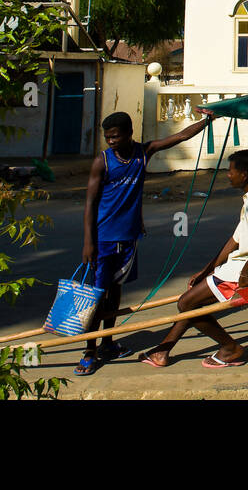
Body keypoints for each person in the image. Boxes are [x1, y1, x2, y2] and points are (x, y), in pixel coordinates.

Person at [75, 107, 213, 376]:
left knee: (115, 293)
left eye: (115, 136)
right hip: (103, 239)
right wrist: (88, 242)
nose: (111, 141)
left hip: (128, 239)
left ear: (129, 134)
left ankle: (108, 342)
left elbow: (182, 136)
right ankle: (89, 352)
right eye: (108, 137)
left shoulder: (143, 152)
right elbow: (90, 203)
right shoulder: (102, 161)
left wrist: (207, 120)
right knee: (96, 298)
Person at [141, 149, 248, 368]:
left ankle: (230, 348)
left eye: (231, 171)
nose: (228, 175)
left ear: (244, 174)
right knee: (193, 302)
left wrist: (246, 272)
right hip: (237, 267)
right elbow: (234, 241)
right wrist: (208, 270)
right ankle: (162, 352)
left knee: (186, 302)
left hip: (246, 272)